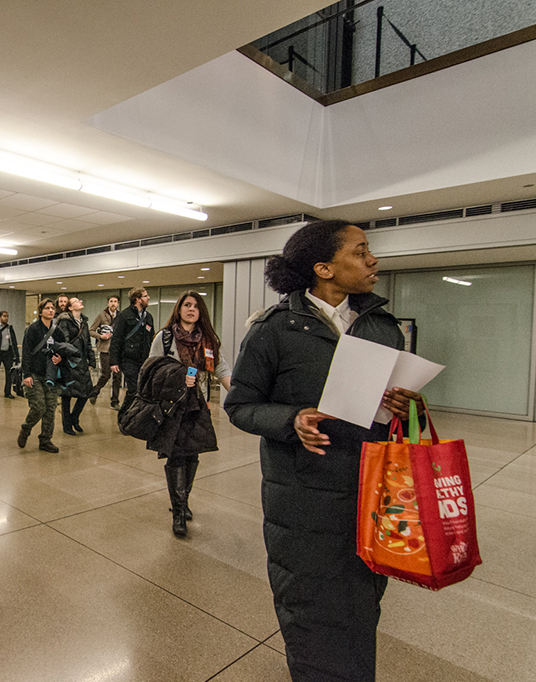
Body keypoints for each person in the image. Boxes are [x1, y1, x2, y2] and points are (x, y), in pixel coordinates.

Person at [223, 220, 421, 681]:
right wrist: (291, 419)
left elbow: (396, 413)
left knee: (361, 606)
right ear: (324, 268)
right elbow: (242, 406)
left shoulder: (382, 327)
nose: (373, 261)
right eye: (361, 251)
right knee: (311, 611)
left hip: (371, 495)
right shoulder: (273, 329)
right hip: (303, 501)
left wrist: (404, 407)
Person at [148, 291, 232, 537]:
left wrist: (236, 393)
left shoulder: (208, 339)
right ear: (179, 309)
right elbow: (152, 368)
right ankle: (178, 511)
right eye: (187, 305)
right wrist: (176, 375)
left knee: (193, 455)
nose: (191, 309)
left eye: (196, 305)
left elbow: (221, 367)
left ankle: (183, 502)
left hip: (198, 406)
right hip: (173, 406)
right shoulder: (164, 338)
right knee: (176, 456)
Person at [17, 299, 66, 453]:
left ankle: (45, 440)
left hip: (52, 376)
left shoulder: (57, 331)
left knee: (50, 410)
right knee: (39, 406)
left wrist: (60, 358)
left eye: (52, 308)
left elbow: (64, 349)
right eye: (47, 308)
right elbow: (25, 353)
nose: (51, 311)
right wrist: (26, 374)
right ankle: (26, 428)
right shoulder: (33, 330)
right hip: (35, 374)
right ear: (40, 312)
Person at [109, 286, 154, 414]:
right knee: (134, 389)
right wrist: (114, 361)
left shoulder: (148, 317)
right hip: (128, 359)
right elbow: (116, 339)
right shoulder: (124, 316)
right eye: (145, 296)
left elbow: (151, 338)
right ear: (137, 299)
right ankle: (123, 416)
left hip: (144, 359)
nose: (148, 298)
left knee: (141, 390)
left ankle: (134, 416)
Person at [56, 298, 96, 435]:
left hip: (82, 363)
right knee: (67, 395)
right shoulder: (64, 321)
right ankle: (67, 425)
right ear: (70, 308)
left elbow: (88, 342)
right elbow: (64, 342)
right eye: (76, 301)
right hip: (69, 362)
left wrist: (91, 360)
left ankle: (74, 418)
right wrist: (72, 356)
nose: (80, 301)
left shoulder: (84, 322)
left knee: (85, 393)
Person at [88, 295, 122, 409]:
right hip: (104, 349)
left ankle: (115, 401)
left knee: (117, 376)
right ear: (108, 303)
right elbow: (91, 330)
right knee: (106, 374)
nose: (113, 303)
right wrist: (100, 336)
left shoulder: (120, 316)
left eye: (115, 301)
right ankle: (94, 392)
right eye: (111, 301)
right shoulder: (101, 316)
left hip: (117, 350)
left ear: (118, 304)